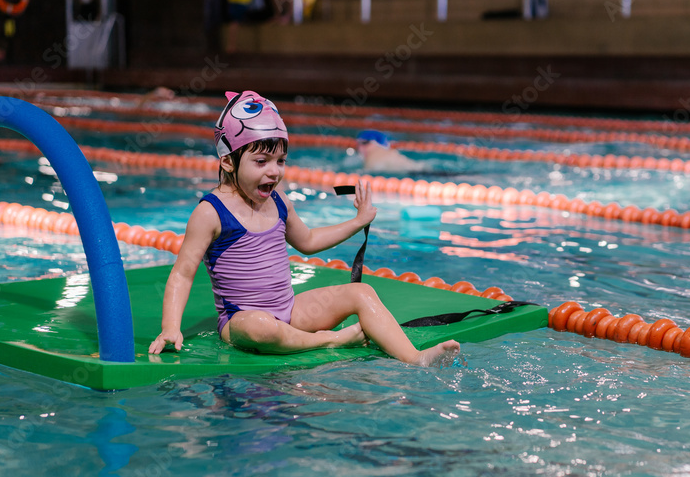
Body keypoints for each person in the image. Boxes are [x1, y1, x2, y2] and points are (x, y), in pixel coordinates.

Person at [149, 90, 461, 367]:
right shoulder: (210, 213)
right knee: (261, 327)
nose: (274, 171)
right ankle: (331, 340)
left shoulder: (279, 201)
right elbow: (182, 273)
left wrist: (357, 222)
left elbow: (308, 240)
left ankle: (415, 357)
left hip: (291, 311)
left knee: (361, 292)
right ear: (228, 161)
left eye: (280, 160)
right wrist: (170, 327)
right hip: (242, 321)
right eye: (261, 162)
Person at [356, 129, 427, 173]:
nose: (360, 148)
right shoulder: (389, 153)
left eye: (365, 143)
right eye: (358, 144)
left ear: (378, 144)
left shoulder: (375, 155)